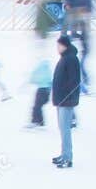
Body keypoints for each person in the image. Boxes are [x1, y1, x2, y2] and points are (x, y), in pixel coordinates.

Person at [51, 35, 81, 169]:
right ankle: (64, 154)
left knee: (65, 130)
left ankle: (68, 158)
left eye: (59, 45)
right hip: (61, 100)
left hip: (66, 101)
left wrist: (67, 97)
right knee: (62, 129)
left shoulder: (71, 59)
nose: (57, 48)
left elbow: (74, 81)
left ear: (65, 45)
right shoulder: (64, 58)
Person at [26, 55, 52, 129]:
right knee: (39, 106)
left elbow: (34, 79)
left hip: (41, 89)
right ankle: (40, 122)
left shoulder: (41, 68)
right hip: (46, 90)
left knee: (37, 106)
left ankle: (36, 121)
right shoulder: (48, 69)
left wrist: (32, 80)